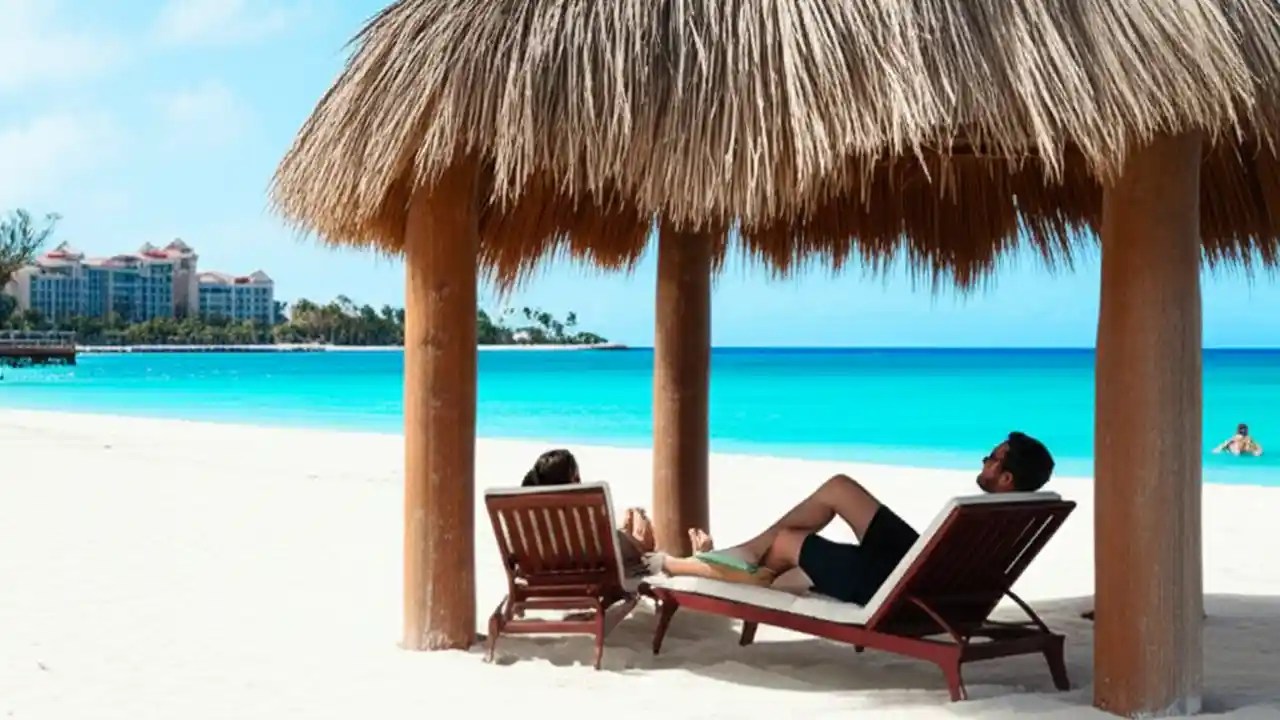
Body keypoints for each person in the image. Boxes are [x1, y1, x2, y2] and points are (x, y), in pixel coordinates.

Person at [644, 431, 1056, 604]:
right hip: (917, 574)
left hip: (901, 590)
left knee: (789, 540)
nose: (984, 458)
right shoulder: (1013, 513)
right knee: (840, 487)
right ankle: (751, 552)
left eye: (993, 457)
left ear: (1005, 477)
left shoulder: (979, 512)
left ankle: (691, 564)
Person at [520, 448, 714, 571]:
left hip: (544, 573)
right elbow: (611, 552)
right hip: (591, 572)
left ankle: (631, 532)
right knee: (655, 559)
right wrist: (637, 539)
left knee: (631, 539)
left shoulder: (523, 516)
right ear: (571, 481)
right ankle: (700, 561)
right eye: (577, 478)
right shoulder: (580, 513)